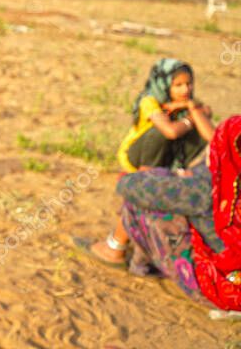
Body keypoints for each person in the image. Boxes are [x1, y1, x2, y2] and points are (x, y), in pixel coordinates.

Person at [80, 116, 241, 312]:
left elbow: (130, 187)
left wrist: (143, 176)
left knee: (146, 203)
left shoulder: (210, 188)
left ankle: (114, 249)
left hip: (226, 290)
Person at [116, 58, 214, 172]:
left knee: (200, 125)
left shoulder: (189, 102)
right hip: (137, 156)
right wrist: (191, 119)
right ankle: (146, 173)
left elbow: (211, 137)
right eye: (178, 85)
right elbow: (171, 132)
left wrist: (193, 108)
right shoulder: (149, 101)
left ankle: (174, 169)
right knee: (160, 132)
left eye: (189, 84)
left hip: (166, 156)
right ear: (164, 84)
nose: (185, 90)